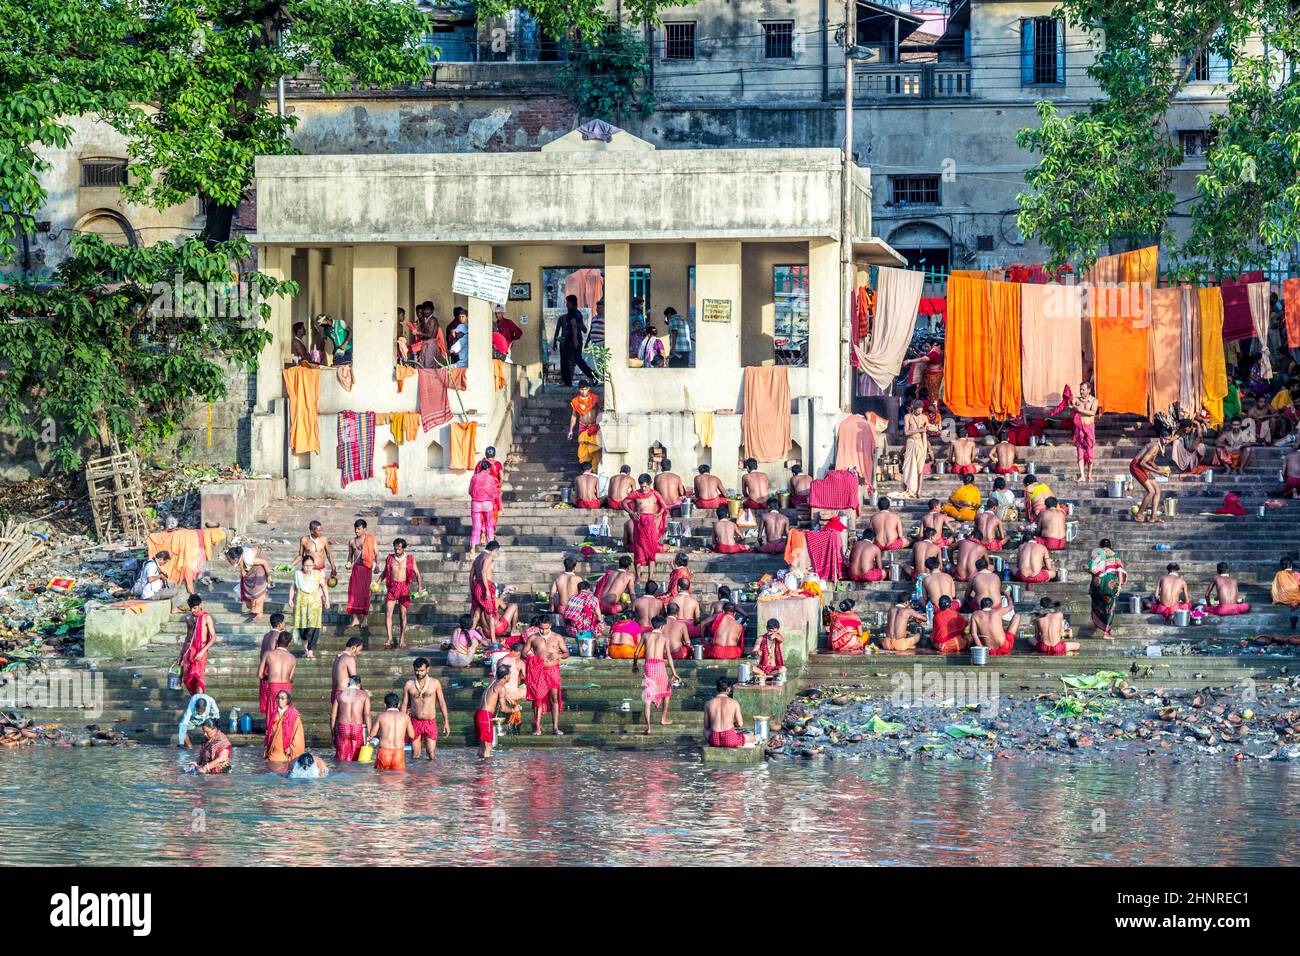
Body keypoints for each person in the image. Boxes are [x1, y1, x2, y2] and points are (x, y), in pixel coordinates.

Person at [632, 616, 681, 733]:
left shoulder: (646, 635)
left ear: (652, 625)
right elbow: (668, 656)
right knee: (667, 692)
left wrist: (634, 665)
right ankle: (663, 718)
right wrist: (674, 673)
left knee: (648, 698)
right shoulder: (664, 637)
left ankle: (648, 727)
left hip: (649, 666)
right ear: (662, 626)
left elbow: (636, 653)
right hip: (660, 666)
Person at [523, 620, 568, 735]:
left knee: (554, 698)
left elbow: (566, 653)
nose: (544, 631)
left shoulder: (557, 637)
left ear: (550, 626)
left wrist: (558, 655)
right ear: (538, 627)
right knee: (538, 698)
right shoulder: (533, 638)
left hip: (553, 671)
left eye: (546, 628)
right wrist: (533, 658)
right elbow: (523, 652)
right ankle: (537, 728)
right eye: (542, 628)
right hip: (538, 671)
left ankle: (555, 728)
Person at [623, 473, 669, 584]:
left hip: (651, 524)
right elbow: (624, 502)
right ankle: (638, 577)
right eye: (641, 486)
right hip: (639, 523)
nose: (643, 488)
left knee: (652, 550)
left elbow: (664, 506)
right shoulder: (636, 494)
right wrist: (631, 512)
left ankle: (650, 577)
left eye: (645, 486)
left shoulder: (655, 494)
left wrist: (658, 515)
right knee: (638, 550)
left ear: (649, 484)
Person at [402, 658, 450, 758]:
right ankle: (415, 773)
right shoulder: (409, 684)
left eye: (422, 670)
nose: (419, 673)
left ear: (427, 669)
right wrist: (402, 723)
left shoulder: (435, 683)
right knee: (415, 754)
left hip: (430, 722)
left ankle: (431, 773)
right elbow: (404, 704)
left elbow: (442, 702)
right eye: (416, 670)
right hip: (415, 722)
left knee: (431, 753)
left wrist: (446, 721)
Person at [288, 554, 329, 660]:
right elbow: (293, 588)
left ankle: (310, 650)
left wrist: (327, 600)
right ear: (302, 565)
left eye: (311, 565)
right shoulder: (297, 574)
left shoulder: (317, 574)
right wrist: (290, 599)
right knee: (302, 629)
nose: (308, 568)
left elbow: (324, 586)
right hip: (301, 605)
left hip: (315, 605)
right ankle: (306, 651)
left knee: (313, 628)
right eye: (306, 565)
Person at [382, 538, 421, 649]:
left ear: (404, 548)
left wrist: (420, 586)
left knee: (403, 615)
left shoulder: (410, 559)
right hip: (393, 587)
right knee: (388, 613)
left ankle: (402, 638)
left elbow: (417, 574)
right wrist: (377, 581)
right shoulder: (390, 558)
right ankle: (389, 638)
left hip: (404, 588)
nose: (397, 551)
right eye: (395, 549)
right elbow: (385, 572)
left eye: (399, 549)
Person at [342, 520, 378, 636]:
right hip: (356, 569)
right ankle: (355, 619)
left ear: (364, 529)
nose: (357, 531)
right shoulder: (352, 541)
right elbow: (350, 555)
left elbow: (376, 553)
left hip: (367, 569)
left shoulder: (371, 539)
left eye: (359, 528)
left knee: (365, 594)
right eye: (356, 528)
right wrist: (348, 563)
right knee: (353, 593)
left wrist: (377, 565)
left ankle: (364, 619)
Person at [176, 594, 216, 696]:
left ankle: (199, 702)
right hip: (189, 651)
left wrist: (202, 652)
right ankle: (195, 702)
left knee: (198, 677)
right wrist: (180, 656)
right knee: (189, 679)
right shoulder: (189, 618)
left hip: (201, 650)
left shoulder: (207, 617)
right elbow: (188, 637)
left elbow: (213, 638)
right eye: (191, 608)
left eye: (195, 608)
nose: (193, 610)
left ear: (200, 605)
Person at [476, 664, 518, 759]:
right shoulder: (501, 687)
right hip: (485, 716)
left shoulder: (493, 683)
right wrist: (513, 710)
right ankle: (487, 771)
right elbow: (503, 708)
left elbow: (495, 696)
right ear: (506, 676)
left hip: (479, 714)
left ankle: (479, 768)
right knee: (488, 746)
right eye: (510, 674)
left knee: (482, 745)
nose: (510, 676)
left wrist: (507, 699)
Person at [553, 294, 596, 386]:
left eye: (567, 302)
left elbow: (574, 326)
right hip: (576, 340)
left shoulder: (571, 313)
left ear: (570, 303)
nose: (566, 304)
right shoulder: (578, 313)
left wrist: (575, 340)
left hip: (571, 341)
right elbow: (584, 330)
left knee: (565, 361)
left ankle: (567, 382)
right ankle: (593, 376)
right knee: (578, 360)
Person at [1089, 538, 1127, 639]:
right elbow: (1119, 570)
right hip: (1110, 584)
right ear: (1110, 546)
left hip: (1097, 584)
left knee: (1096, 603)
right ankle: (1106, 633)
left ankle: (1097, 623)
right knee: (1110, 607)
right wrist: (1119, 587)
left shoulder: (1096, 554)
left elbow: (1091, 569)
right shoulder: (1115, 555)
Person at [1130, 431, 1170, 523]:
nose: (1166, 441)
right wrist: (1157, 472)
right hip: (1136, 466)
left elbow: (1150, 462)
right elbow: (1142, 462)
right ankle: (1139, 514)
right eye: (1165, 439)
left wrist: (1161, 470)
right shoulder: (1155, 446)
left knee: (1157, 489)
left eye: (1168, 439)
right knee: (1151, 492)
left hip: (1141, 466)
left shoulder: (1158, 446)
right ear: (1160, 437)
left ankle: (1153, 516)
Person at [225, 545, 272, 622]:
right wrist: (242, 570)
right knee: (245, 584)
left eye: (229, 560)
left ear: (235, 559)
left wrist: (269, 576)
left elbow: (264, 562)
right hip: (252, 562)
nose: (228, 561)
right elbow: (241, 558)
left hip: (260, 558)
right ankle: (253, 609)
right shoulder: (239, 554)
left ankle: (260, 612)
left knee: (257, 589)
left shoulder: (248, 559)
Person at [331, 675, 371, 762]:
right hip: (357, 727)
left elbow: (333, 715)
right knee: (357, 758)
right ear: (359, 684)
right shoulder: (364, 695)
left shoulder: (340, 695)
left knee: (341, 757)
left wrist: (333, 733)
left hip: (343, 727)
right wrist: (370, 733)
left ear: (348, 684)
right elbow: (367, 714)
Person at [369, 693, 413, 772]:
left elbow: (372, 734)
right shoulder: (405, 717)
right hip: (398, 753)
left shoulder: (381, 716)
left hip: (384, 752)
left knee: (382, 779)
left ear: (385, 705)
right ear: (398, 704)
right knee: (398, 781)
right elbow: (411, 735)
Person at [703, 677, 751, 748]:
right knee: (751, 737)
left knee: (705, 731)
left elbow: (706, 726)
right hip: (730, 739)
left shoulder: (708, 703)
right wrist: (733, 725)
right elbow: (740, 724)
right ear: (728, 689)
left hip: (714, 740)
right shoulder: (734, 702)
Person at [258, 632, 297, 717]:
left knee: (273, 712)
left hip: (274, 686)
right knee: (285, 712)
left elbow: (260, 675)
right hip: (287, 687)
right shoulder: (293, 658)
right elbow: (290, 678)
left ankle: (271, 730)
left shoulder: (268, 654)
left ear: (277, 641)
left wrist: (269, 677)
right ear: (289, 643)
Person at [901, 401, 935, 498]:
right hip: (911, 443)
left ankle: (918, 491)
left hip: (921, 444)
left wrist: (933, 428)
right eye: (918, 410)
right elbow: (906, 432)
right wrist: (920, 430)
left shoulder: (924, 417)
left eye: (921, 410)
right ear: (913, 409)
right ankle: (908, 489)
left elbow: (928, 428)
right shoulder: (907, 417)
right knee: (907, 467)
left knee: (920, 469)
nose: (919, 412)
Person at [264, 689, 305, 768]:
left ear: (288, 700)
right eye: (278, 698)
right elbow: (269, 732)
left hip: (285, 753)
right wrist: (266, 746)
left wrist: (291, 748)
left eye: (282, 698)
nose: (280, 700)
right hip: (273, 751)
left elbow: (298, 735)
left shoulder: (294, 714)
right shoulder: (274, 713)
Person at [568, 383, 603, 472]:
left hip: (594, 426)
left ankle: (595, 470)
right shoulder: (575, 401)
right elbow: (574, 416)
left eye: (585, 389)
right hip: (583, 427)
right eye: (581, 389)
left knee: (595, 450)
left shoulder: (595, 398)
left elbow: (601, 410)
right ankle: (586, 471)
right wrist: (571, 430)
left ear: (589, 388)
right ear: (578, 389)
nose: (583, 391)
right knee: (583, 450)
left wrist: (599, 423)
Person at [469, 459, 502, 551]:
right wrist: (500, 507)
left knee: (476, 527)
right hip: (487, 504)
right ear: (488, 468)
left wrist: (476, 497)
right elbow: (496, 494)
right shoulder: (491, 478)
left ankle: (473, 548)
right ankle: (490, 548)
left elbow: (470, 491)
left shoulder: (474, 477)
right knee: (489, 526)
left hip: (476, 505)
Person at [1072, 381, 1099, 482]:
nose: (1081, 391)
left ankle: (1090, 475)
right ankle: (1082, 475)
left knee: (1090, 452)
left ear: (1089, 390)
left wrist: (1079, 410)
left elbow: (1092, 413)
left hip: (1089, 428)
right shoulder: (1078, 400)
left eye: (1083, 389)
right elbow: (1071, 401)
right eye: (1080, 389)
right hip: (1079, 428)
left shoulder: (1094, 401)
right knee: (1080, 451)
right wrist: (1071, 402)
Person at [295, 520, 336, 585]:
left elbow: (328, 554)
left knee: (321, 591)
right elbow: (300, 556)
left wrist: (333, 567)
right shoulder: (304, 540)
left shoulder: (324, 539)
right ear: (312, 531)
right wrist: (291, 565)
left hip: (321, 570)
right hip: (309, 570)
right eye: (318, 530)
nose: (320, 532)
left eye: (321, 530)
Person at [1271, 557, 1300, 629]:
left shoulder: (1279, 574)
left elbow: (1274, 588)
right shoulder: (1297, 574)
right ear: (1291, 565)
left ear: (1282, 566)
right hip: (1296, 597)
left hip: (1282, 598)